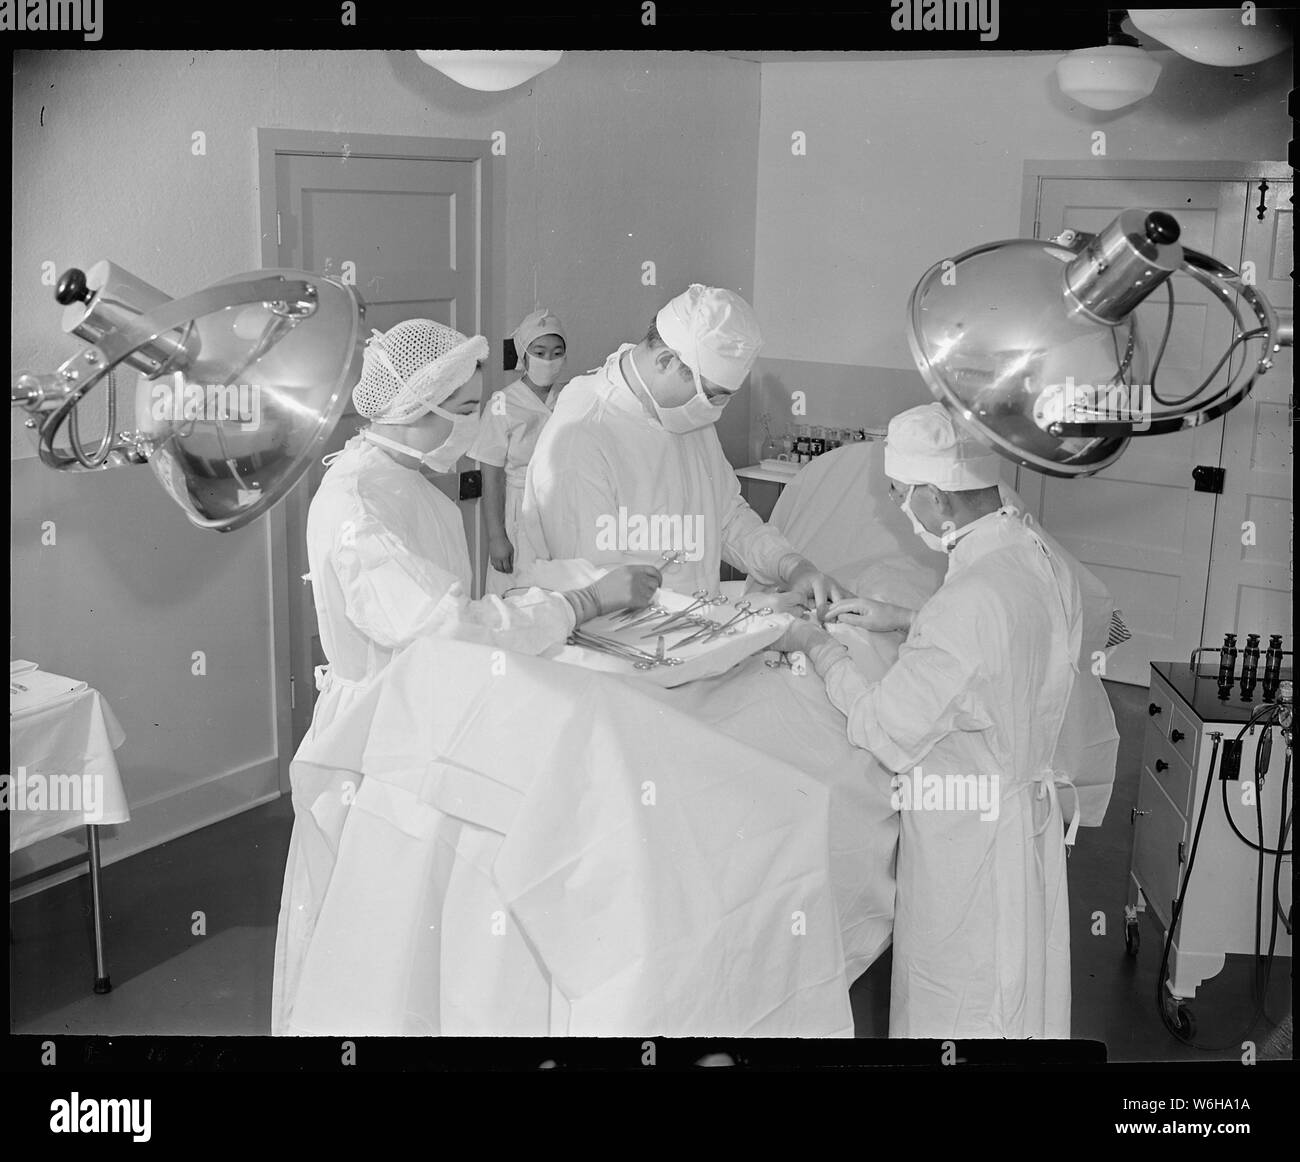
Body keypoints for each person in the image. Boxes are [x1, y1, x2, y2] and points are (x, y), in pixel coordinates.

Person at [272, 318, 658, 1034]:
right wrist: (578, 602)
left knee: (431, 944)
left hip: (429, 714)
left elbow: (458, 605)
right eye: (467, 408)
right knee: (380, 948)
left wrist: (563, 588)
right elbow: (446, 628)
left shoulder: (410, 481)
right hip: (381, 742)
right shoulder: (358, 505)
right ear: (415, 414)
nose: (480, 423)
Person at [775, 402, 1083, 1039]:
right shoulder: (1036, 553)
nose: (898, 508)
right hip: (1023, 817)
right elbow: (999, 655)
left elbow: (883, 727)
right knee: (1019, 995)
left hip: (968, 842)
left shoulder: (965, 603)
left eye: (899, 494)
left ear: (936, 497)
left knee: (962, 1006)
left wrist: (818, 648)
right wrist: (903, 619)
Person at [520, 284, 847, 612]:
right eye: (713, 395)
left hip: (693, 634)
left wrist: (790, 566)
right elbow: (600, 590)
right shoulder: (583, 435)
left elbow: (726, 516)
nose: (716, 409)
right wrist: (740, 617)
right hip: (623, 646)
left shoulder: (681, 414)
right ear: (665, 361)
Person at [471, 309, 569, 595]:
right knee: (517, 595)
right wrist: (496, 536)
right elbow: (491, 477)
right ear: (524, 355)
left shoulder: (570, 397)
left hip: (561, 505)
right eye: (539, 352)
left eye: (557, 352)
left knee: (559, 594)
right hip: (518, 511)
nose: (548, 361)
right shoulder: (503, 404)